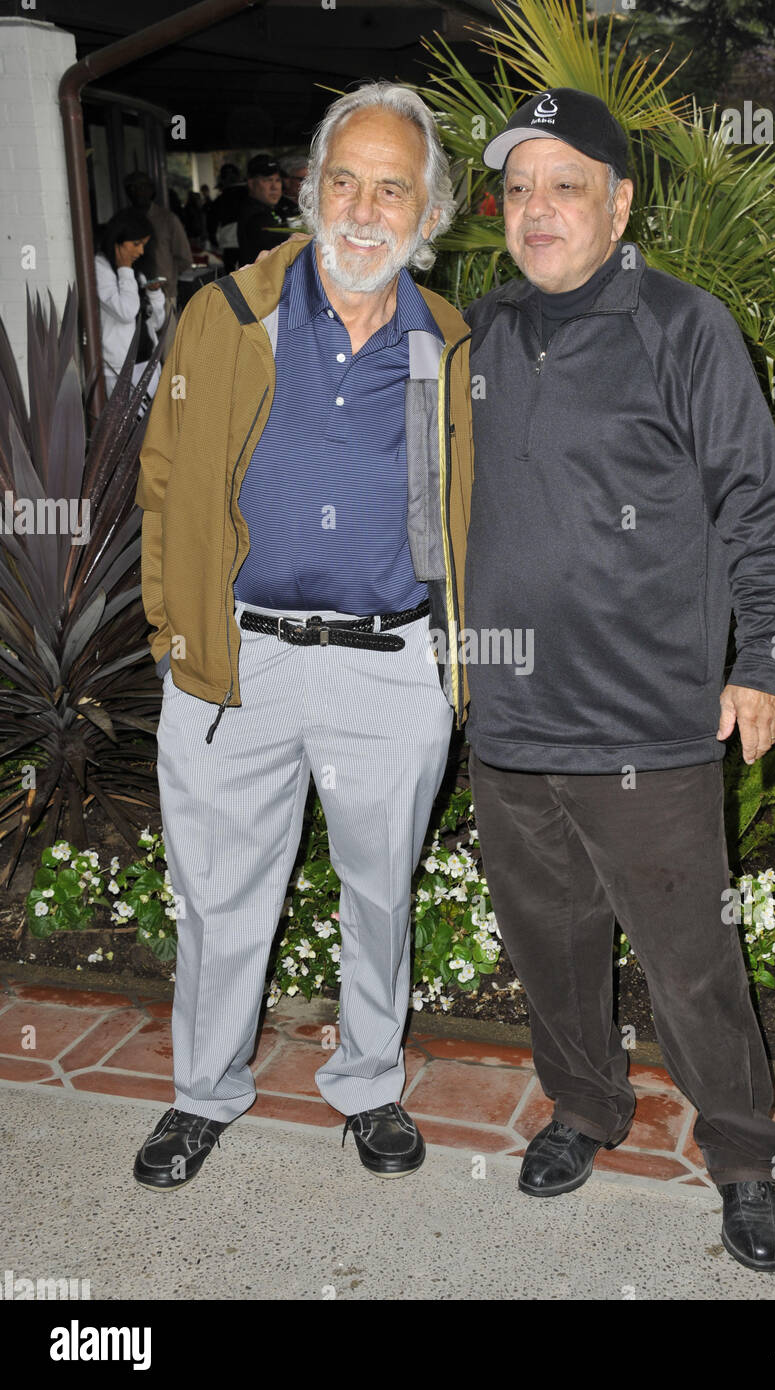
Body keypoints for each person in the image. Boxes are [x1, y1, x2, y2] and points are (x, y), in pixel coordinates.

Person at [462, 89, 775, 1274]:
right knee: (550, 947)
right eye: (518, 189)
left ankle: (747, 1153)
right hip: (508, 723)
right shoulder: (483, 332)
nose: (537, 208)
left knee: (691, 963)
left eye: (565, 185)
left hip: (648, 724)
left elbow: (757, 501)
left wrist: (761, 658)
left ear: (618, 203)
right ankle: (585, 1105)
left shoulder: (684, 325)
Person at [133, 82, 472, 1192]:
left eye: (393, 189)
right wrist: (171, 628)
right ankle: (203, 1091)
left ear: (431, 216)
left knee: (380, 892)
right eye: (344, 180)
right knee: (223, 891)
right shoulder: (225, 315)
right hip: (240, 657)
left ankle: (369, 1080)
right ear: (312, 187)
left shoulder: (450, 344)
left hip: (389, 664)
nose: (364, 210)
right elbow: (165, 476)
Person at [94, 208, 166, 400]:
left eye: (144, 245)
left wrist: (155, 292)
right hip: (120, 367)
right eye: (135, 244)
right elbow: (126, 311)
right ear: (117, 239)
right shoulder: (100, 267)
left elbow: (157, 323)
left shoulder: (138, 270)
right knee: (128, 429)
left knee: (151, 426)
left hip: (147, 360)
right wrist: (124, 268)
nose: (141, 251)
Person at [124, 172, 193, 330]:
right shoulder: (124, 220)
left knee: (167, 347)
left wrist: (167, 276)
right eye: (131, 188)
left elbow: (184, 258)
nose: (136, 192)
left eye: (141, 187)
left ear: (151, 190)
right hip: (132, 295)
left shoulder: (168, 219)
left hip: (165, 293)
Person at [236, 154, 290, 267]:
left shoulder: (272, 209)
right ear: (251, 183)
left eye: (278, 180)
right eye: (267, 180)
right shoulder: (256, 217)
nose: (274, 186)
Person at [206, 162, 248, 271]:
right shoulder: (251, 195)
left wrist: (214, 242)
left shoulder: (219, 201)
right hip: (251, 242)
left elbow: (211, 226)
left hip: (229, 245)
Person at [276, 153, 309, 221]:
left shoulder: (315, 201)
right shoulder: (276, 205)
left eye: (310, 180)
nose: (308, 184)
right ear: (286, 180)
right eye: (302, 180)